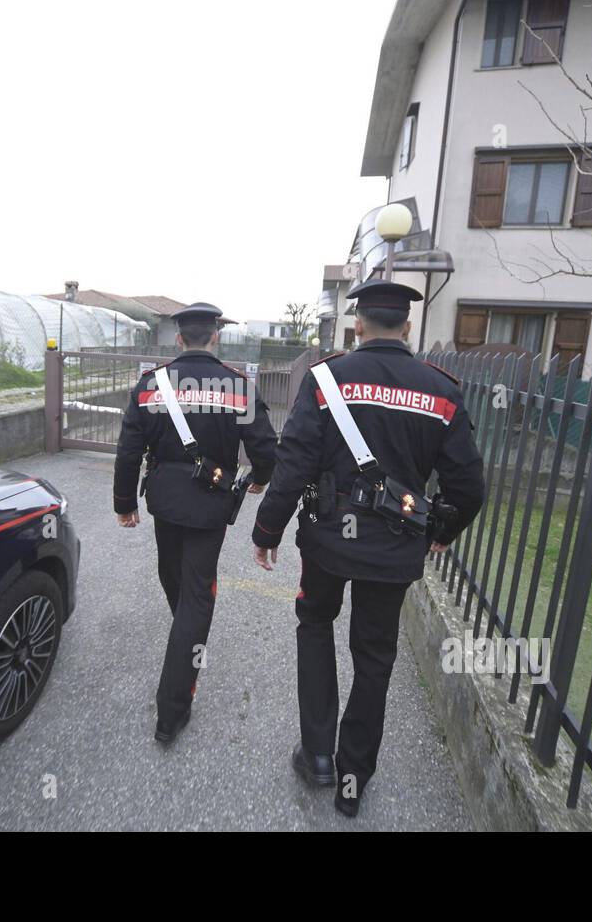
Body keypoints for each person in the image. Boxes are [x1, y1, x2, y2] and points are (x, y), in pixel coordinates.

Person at [250, 279, 484, 817]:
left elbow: (294, 464)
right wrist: (441, 532)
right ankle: (353, 779)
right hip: (395, 547)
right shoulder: (442, 391)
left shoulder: (327, 378)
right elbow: (468, 486)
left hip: (328, 541)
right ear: (407, 328)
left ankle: (317, 755)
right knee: (374, 654)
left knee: (314, 625)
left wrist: (267, 532)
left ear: (357, 326)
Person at [114, 302, 277, 743]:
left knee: (176, 579)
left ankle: (172, 706)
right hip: (209, 504)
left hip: (165, 502)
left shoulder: (152, 385)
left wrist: (124, 502)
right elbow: (265, 447)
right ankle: (175, 696)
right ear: (216, 338)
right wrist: (259, 478)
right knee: (195, 594)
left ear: (179, 339)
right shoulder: (237, 388)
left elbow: (129, 448)